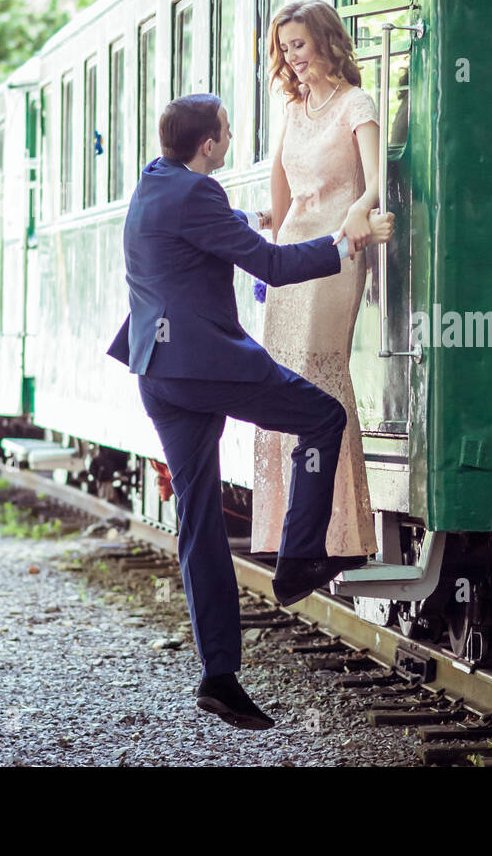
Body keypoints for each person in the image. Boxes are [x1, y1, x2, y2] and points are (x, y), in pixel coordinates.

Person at [104, 93, 393, 730]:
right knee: (323, 418)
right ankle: (298, 560)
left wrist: (258, 214)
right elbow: (271, 265)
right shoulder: (197, 196)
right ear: (207, 144)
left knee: (198, 518)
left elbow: (205, 228)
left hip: (158, 370)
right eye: (227, 134)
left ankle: (219, 677)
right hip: (207, 364)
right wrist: (350, 241)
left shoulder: (154, 185)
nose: (230, 141)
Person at [250, 0, 386, 560]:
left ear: (327, 43)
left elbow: (377, 180)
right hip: (291, 254)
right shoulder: (294, 108)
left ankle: (338, 532)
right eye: (284, 49)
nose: (292, 58)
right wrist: (270, 238)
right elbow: (280, 183)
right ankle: (289, 525)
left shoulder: (357, 103)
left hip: (337, 251)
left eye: (299, 45)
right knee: (281, 373)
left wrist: (359, 210)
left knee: (318, 370)